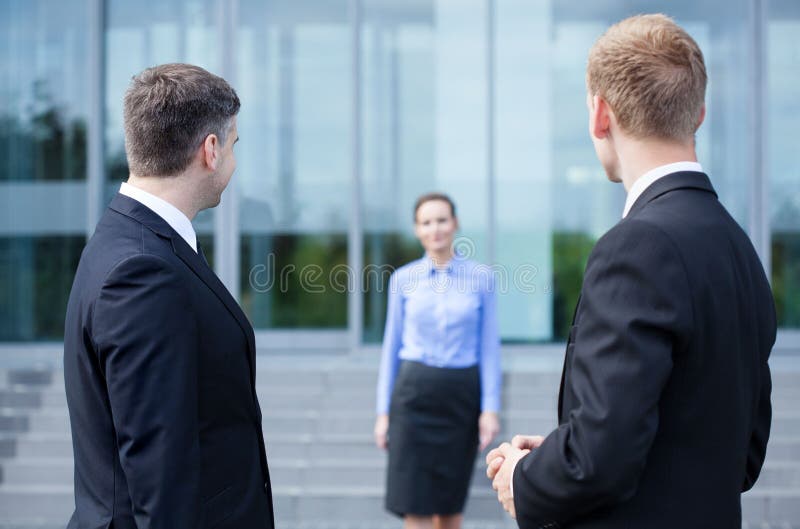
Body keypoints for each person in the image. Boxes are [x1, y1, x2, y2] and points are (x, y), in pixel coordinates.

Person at [486, 14, 776, 529]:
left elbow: (598, 461)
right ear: (699, 113)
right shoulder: (739, 248)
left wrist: (524, 478)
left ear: (600, 114)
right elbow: (740, 455)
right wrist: (560, 450)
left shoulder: (636, 248)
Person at [64, 63, 274, 529]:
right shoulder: (141, 270)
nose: (235, 162)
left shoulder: (125, 241)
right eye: (234, 145)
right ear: (211, 150)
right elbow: (159, 472)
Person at [374, 192, 502, 529]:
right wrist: (383, 412)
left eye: (442, 220)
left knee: (449, 505)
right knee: (412, 502)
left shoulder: (482, 278)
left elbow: (489, 347)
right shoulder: (403, 280)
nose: (436, 229)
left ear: (455, 223)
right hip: (413, 395)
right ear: (417, 230)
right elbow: (391, 347)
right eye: (427, 222)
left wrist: (490, 408)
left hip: (460, 396)